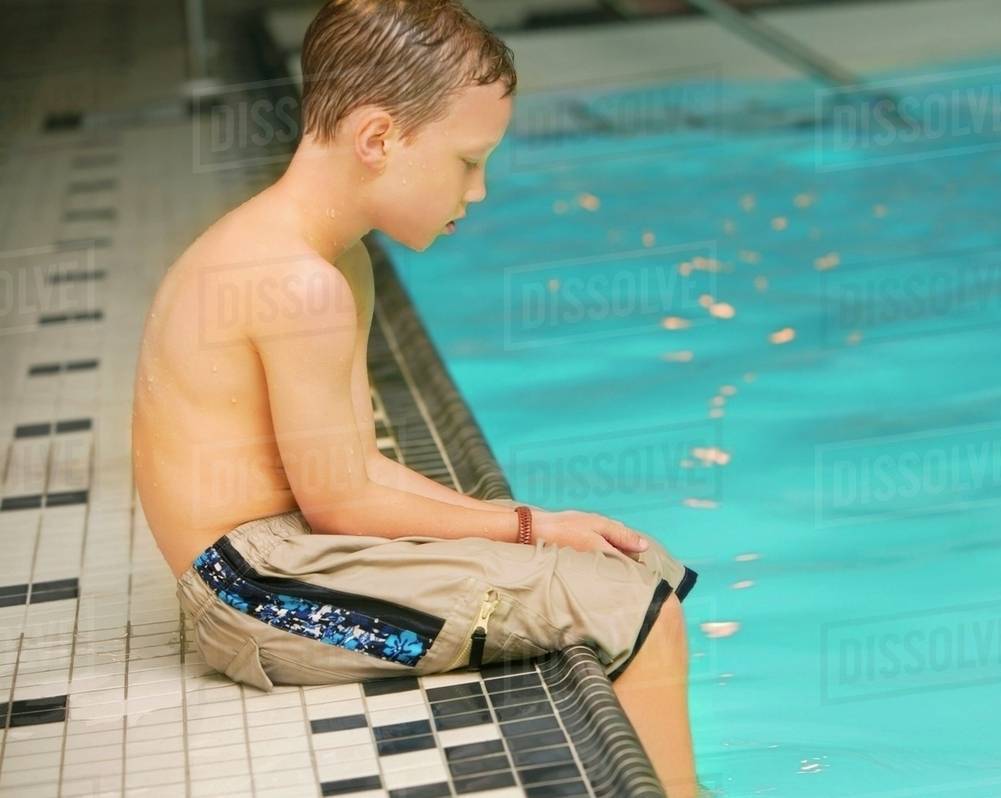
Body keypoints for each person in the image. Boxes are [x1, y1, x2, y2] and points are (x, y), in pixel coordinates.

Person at [130, 0, 702, 795]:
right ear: (378, 139)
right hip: (251, 590)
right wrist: (528, 526)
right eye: (469, 160)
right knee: (633, 608)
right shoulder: (297, 283)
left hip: (278, 560)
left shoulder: (323, 260)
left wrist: (539, 530)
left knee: (635, 573)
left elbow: (350, 472)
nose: (480, 189)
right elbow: (342, 504)